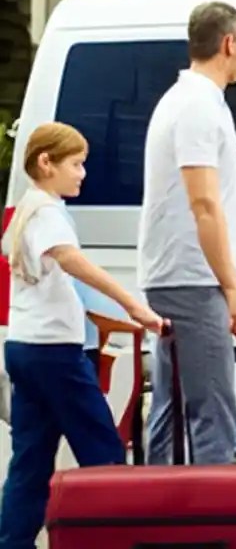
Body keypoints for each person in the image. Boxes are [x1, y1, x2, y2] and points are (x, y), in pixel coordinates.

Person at [0, 122, 165, 549]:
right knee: (102, 448)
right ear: (45, 163)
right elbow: (72, 263)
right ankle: (114, 539)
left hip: (26, 345)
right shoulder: (49, 213)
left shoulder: (26, 211)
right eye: (75, 164)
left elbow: (59, 287)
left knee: (31, 461)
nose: (83, 173)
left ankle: (13, 541)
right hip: (54, 352)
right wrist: (133, 305)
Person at [139, 1, 236, 466]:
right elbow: (204, 204)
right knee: (212, 414)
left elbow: (228, 210)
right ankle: (211, 524)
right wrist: (233, 287)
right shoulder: (198, 105)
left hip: (183, 275)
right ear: (229, 43)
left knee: (174, 413)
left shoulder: (193, 100)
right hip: (193, 280)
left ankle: (164, 516)